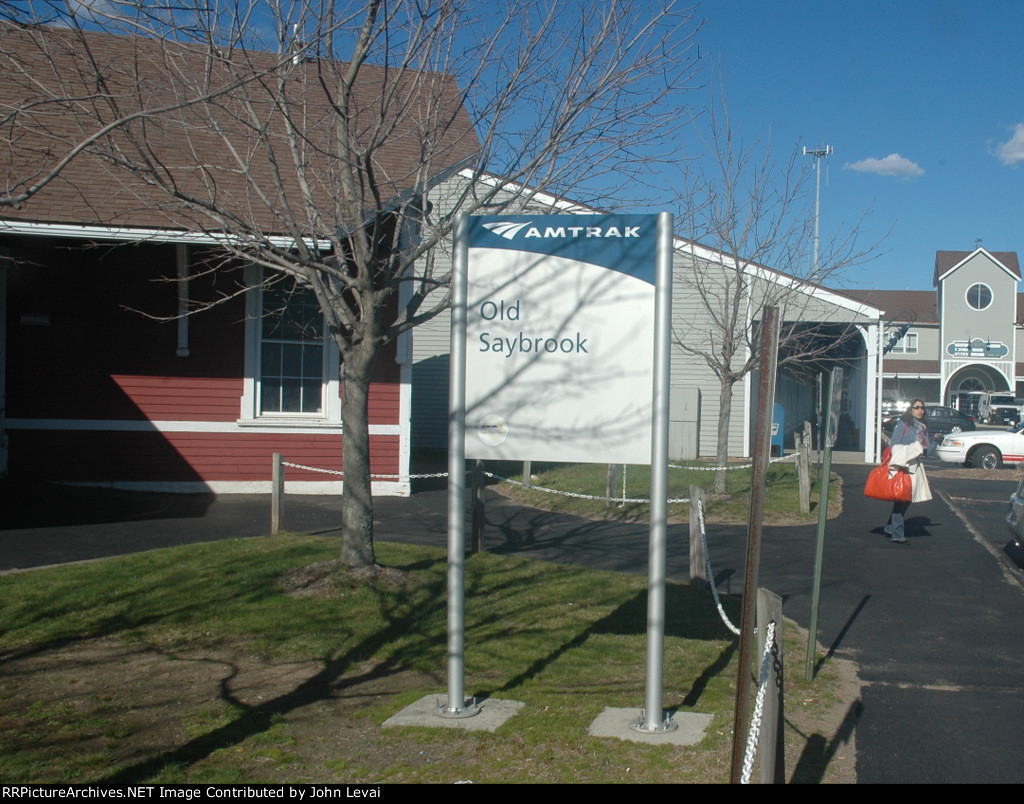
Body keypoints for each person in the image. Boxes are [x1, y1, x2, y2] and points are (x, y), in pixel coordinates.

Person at [885, 399, 935, 543]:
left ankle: (890, 527)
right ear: (910, 410)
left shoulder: (923, 428)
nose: (920, 410)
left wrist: (936, 442)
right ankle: (897, 534)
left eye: (922, 407)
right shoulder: (903, 425)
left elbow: (926, 452)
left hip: (915, 467)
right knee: (901, 499)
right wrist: (910, 451)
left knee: (906, 499)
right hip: (902, 465)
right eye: (917, 407)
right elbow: (894, 445)